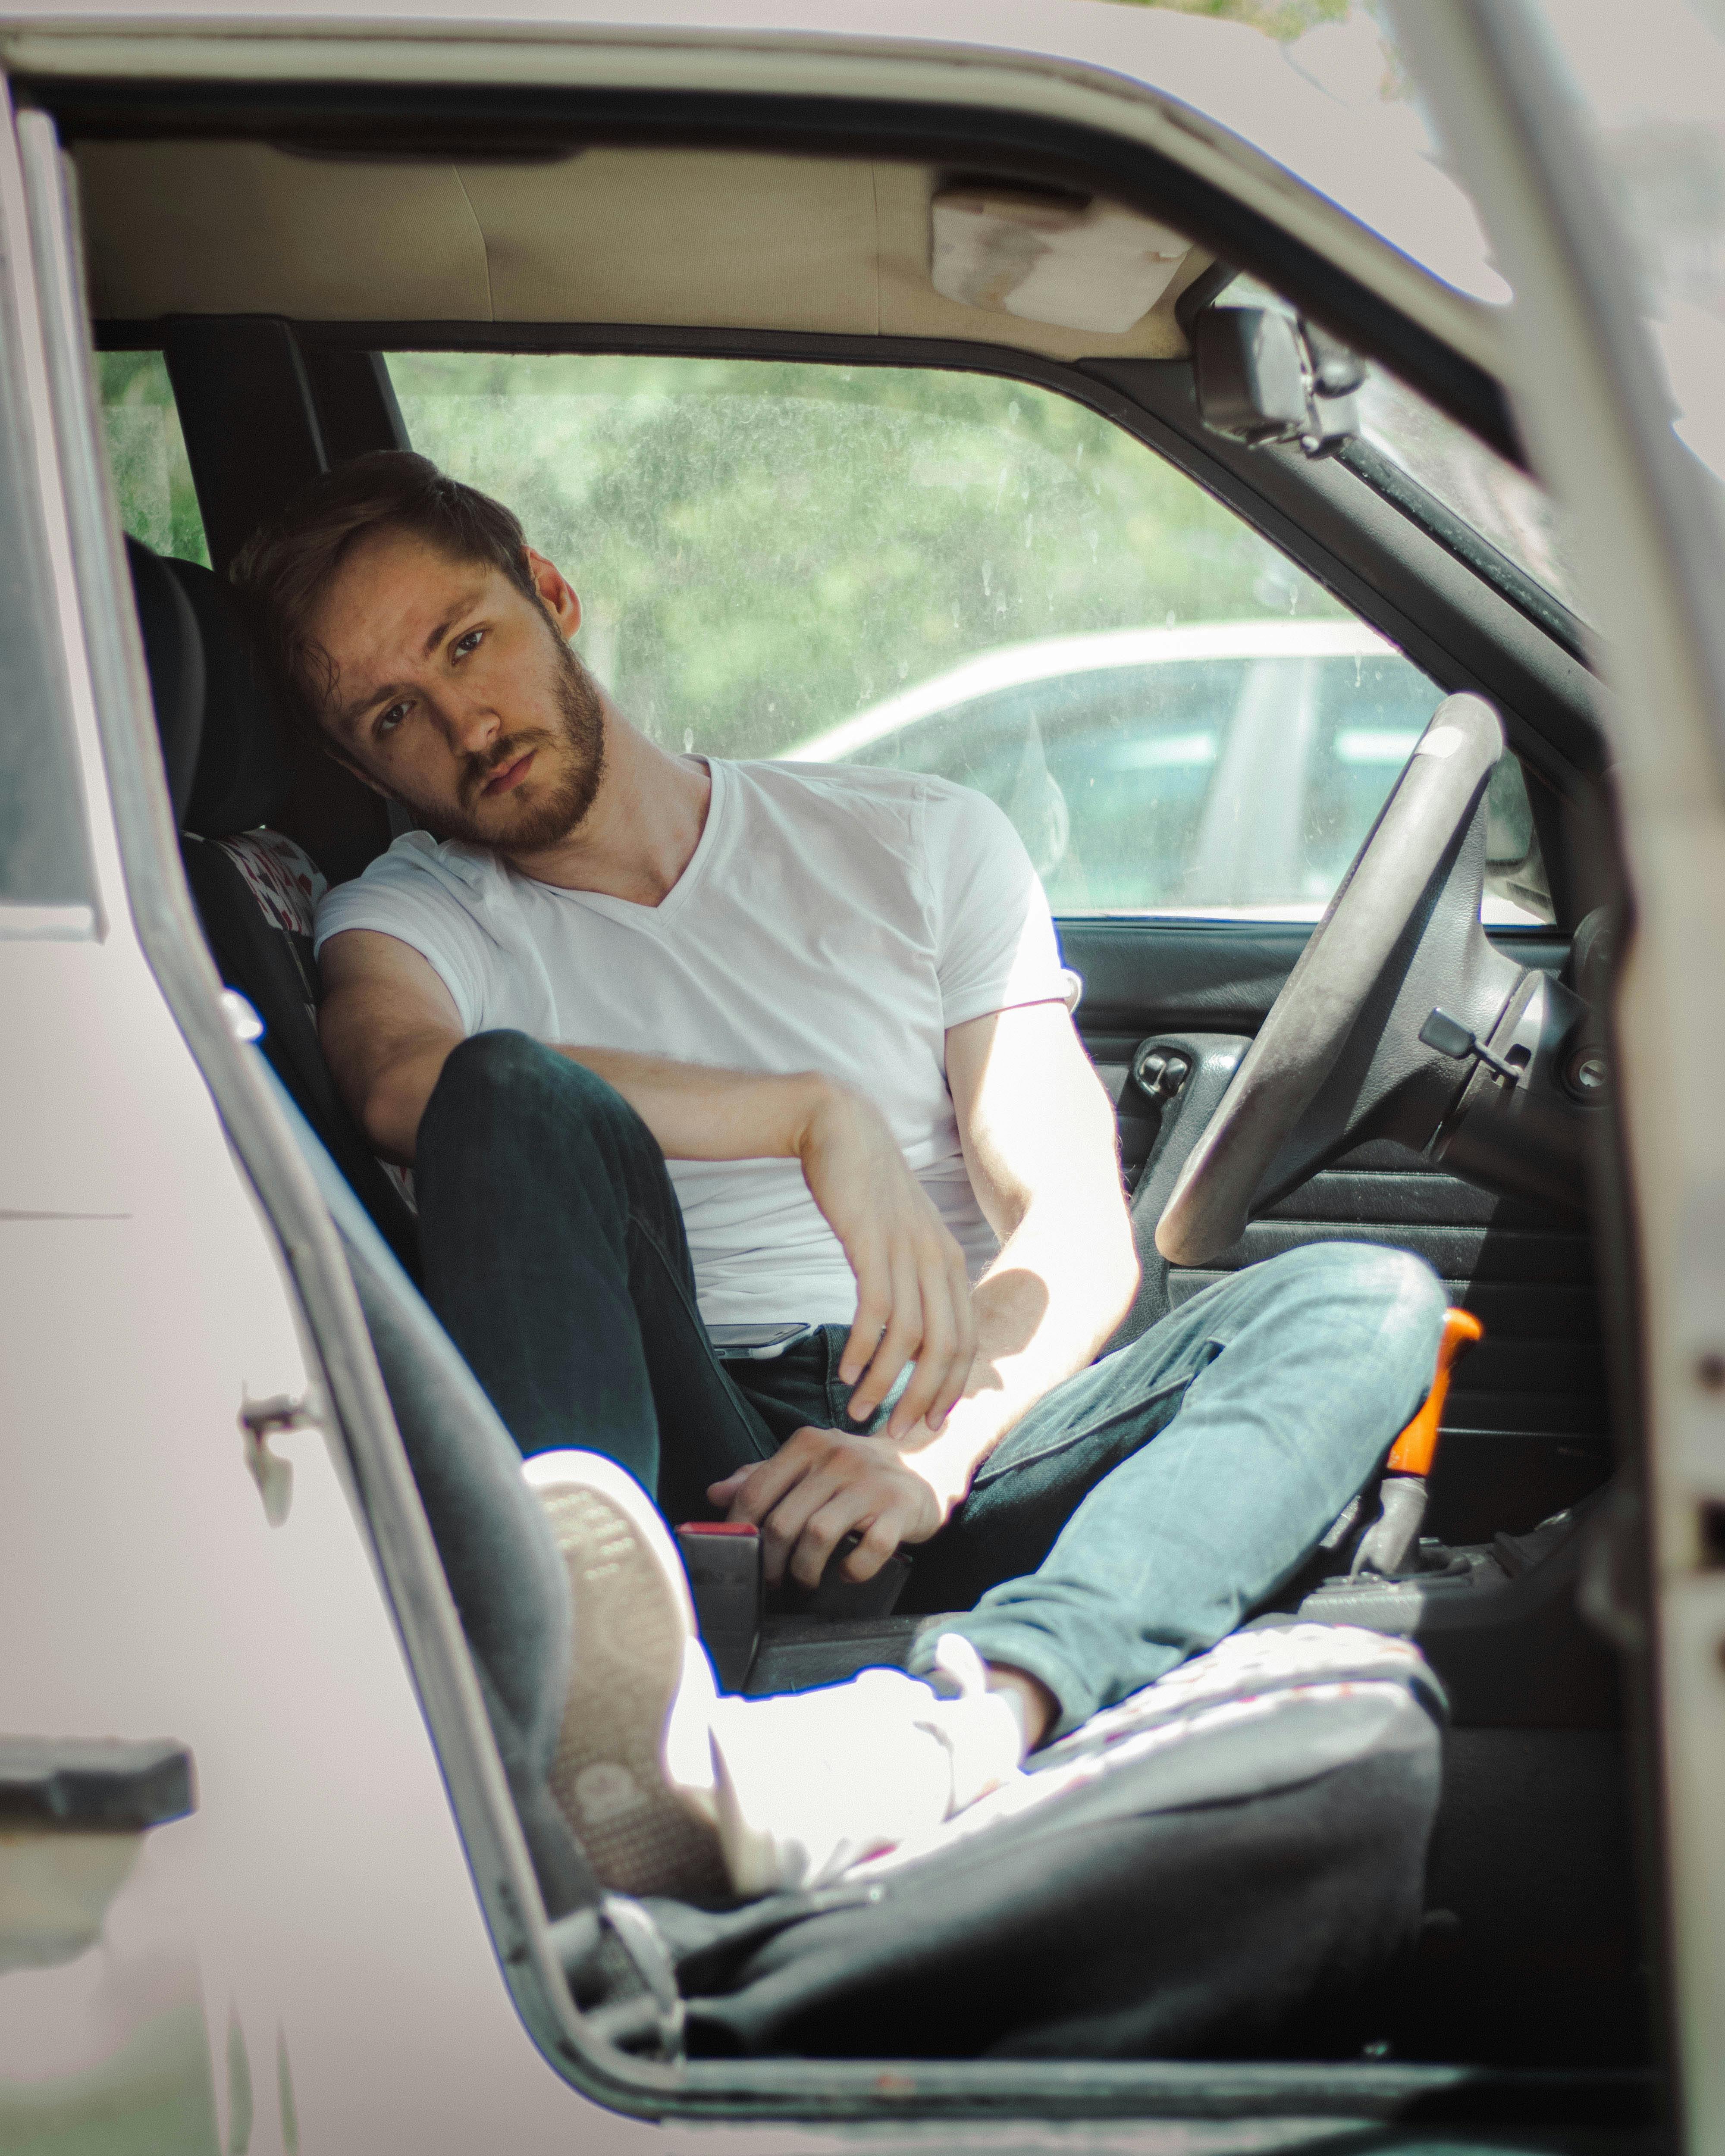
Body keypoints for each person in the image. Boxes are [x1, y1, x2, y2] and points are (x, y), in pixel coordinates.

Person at [231, 451, 1448, 1900]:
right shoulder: (413, 916)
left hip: (955, 1424)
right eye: (391, 716)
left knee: (1363, 1303)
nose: (463, 723)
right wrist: (812, 1117)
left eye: (464, 642)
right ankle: (597, 1713)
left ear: (550, 594)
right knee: (503, 1085)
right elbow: (395, 1081)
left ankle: (975, 1722)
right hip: (693, 1444)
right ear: (363, 766)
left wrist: (929, 1455)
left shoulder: (917, 838)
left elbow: (1073, 1222)